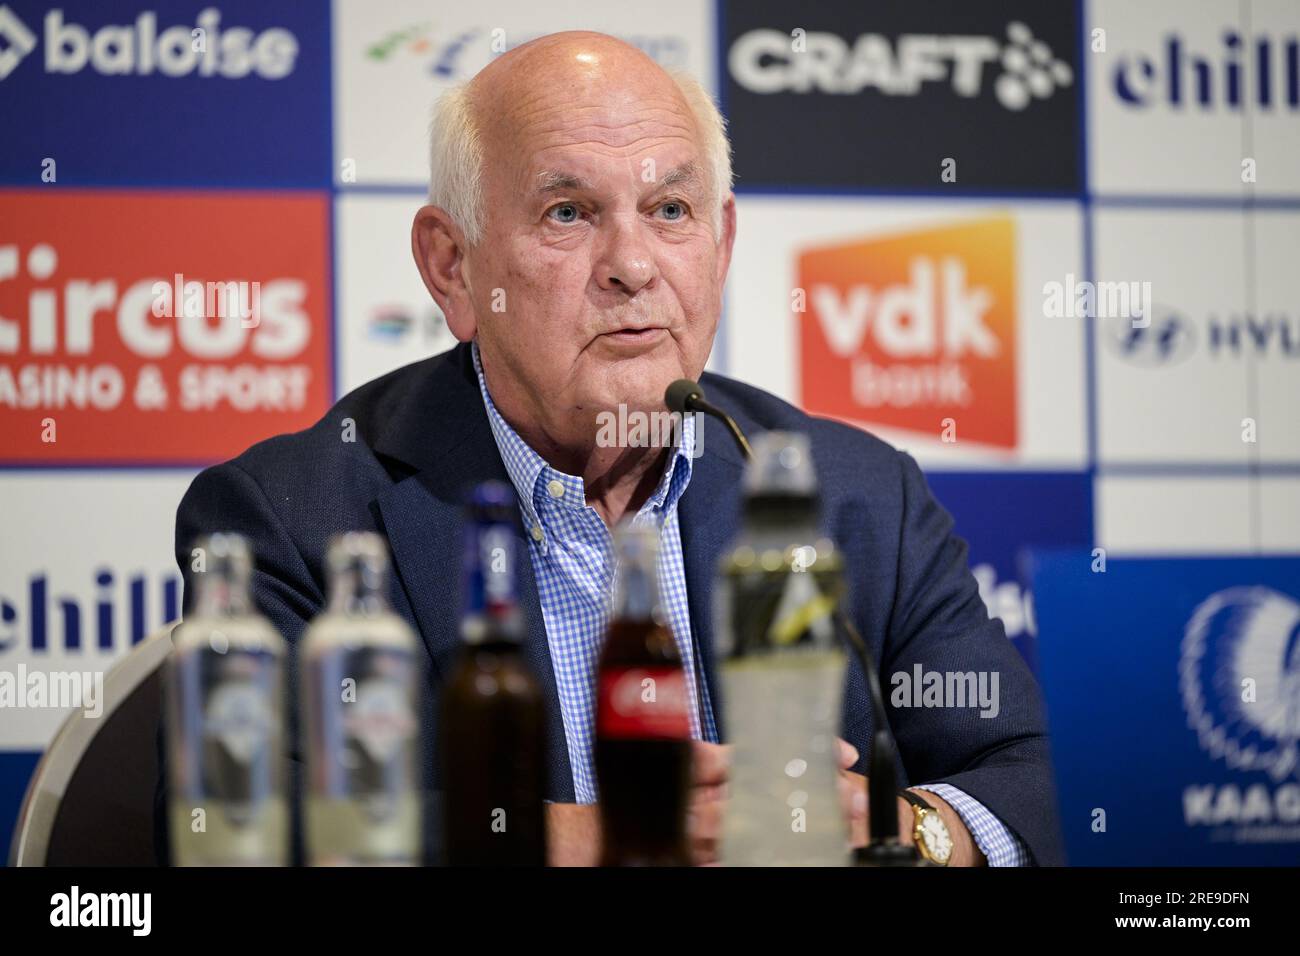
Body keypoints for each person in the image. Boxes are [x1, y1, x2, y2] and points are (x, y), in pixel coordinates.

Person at [162, 31, 1062, 866]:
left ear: (722, 243)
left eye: (671, 208)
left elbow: (1025, 777)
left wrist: (895, 832)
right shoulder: (290, 516)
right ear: (452, 266)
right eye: (568, 213)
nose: (632, 263)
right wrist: (617, 836)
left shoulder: (859, 495)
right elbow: (237, 827)